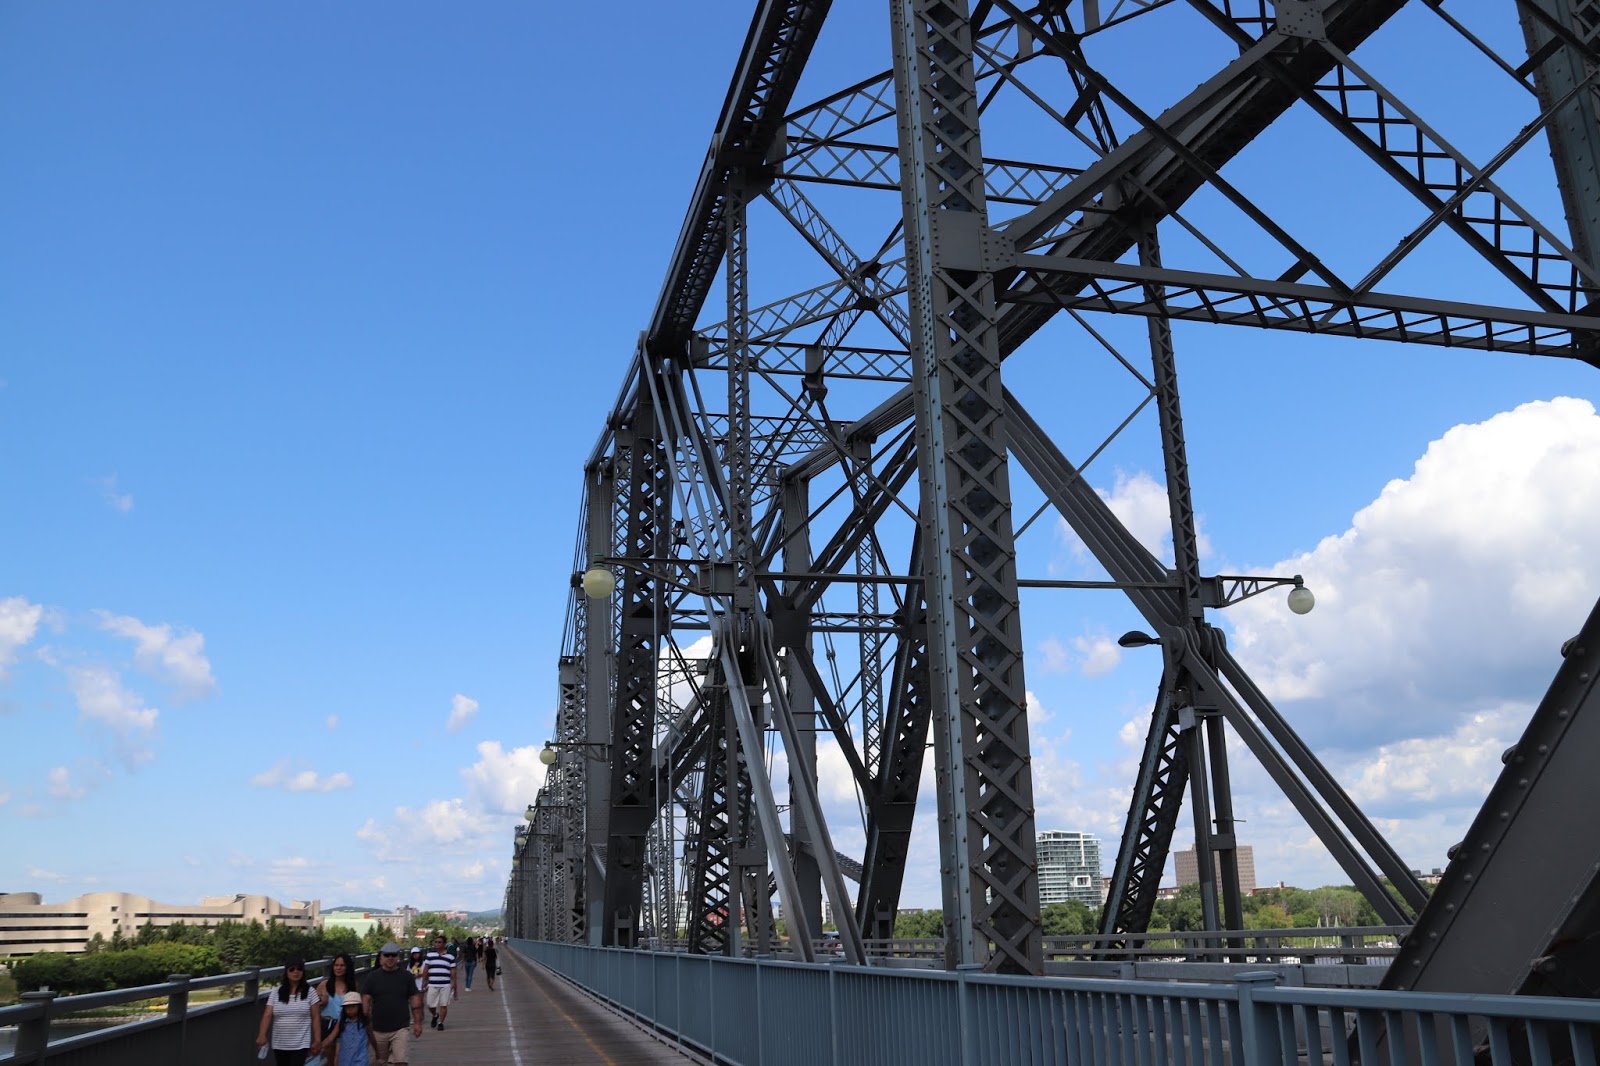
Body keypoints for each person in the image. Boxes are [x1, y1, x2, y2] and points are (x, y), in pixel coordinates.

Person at [360, 942, 423, 1066]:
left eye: (393, 955)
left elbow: (415, 1000)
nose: (390, 958)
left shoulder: (407, 977)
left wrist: (417, 1023)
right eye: (387, 955)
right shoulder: (372, 977)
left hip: (400, 1028)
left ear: (398, 957)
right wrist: (364, 1022)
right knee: (377, 1062)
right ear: (381, 957)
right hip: (377, 1029)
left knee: (401, 1061)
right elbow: (365, 999)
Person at [255, 957, 324, 1065]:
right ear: (286, 972)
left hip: (301, 1043)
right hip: (280, 1043)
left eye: (299, 969)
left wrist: (317, 1039)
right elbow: (267, 1015)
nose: (295, 972)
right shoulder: (276, 992)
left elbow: (315, 1017)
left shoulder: (310, 992)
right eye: (292, 969)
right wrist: (262, 1035)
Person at [316, 953, 361, 1063]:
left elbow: (359, 1007)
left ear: (348, 967)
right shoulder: (324, 985)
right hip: (328, 1024)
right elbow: (314, 1008)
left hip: (346, 1024)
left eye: (342, 965)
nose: (338, 968)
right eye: (336, 965)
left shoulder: (353, 986)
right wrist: (322, 1002)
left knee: (342, 1058)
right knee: (331, 1059)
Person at [421, 934, 458, 1031]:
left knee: (443, 1004)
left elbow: (453, 971)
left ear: (444, 944)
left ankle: (441, 1023)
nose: (437, 944)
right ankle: (434, 1015)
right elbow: (426, 968)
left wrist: (454, 983)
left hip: (445, 984)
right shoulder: (430, 955)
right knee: (430, 1004)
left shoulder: (450, 957)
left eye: (439, 942)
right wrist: (424, 981)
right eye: (436, 942)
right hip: (432, 983)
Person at [331, 991, 371, 1066]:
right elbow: (336, 1038)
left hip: (361, 1059)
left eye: (353, 1006)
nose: (350, 1009)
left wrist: (377, 1051)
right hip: (345, 1060)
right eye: (347, 1007)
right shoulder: (342, 1022)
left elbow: (371, 1036)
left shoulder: (364, 1022)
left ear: (359, 1007)